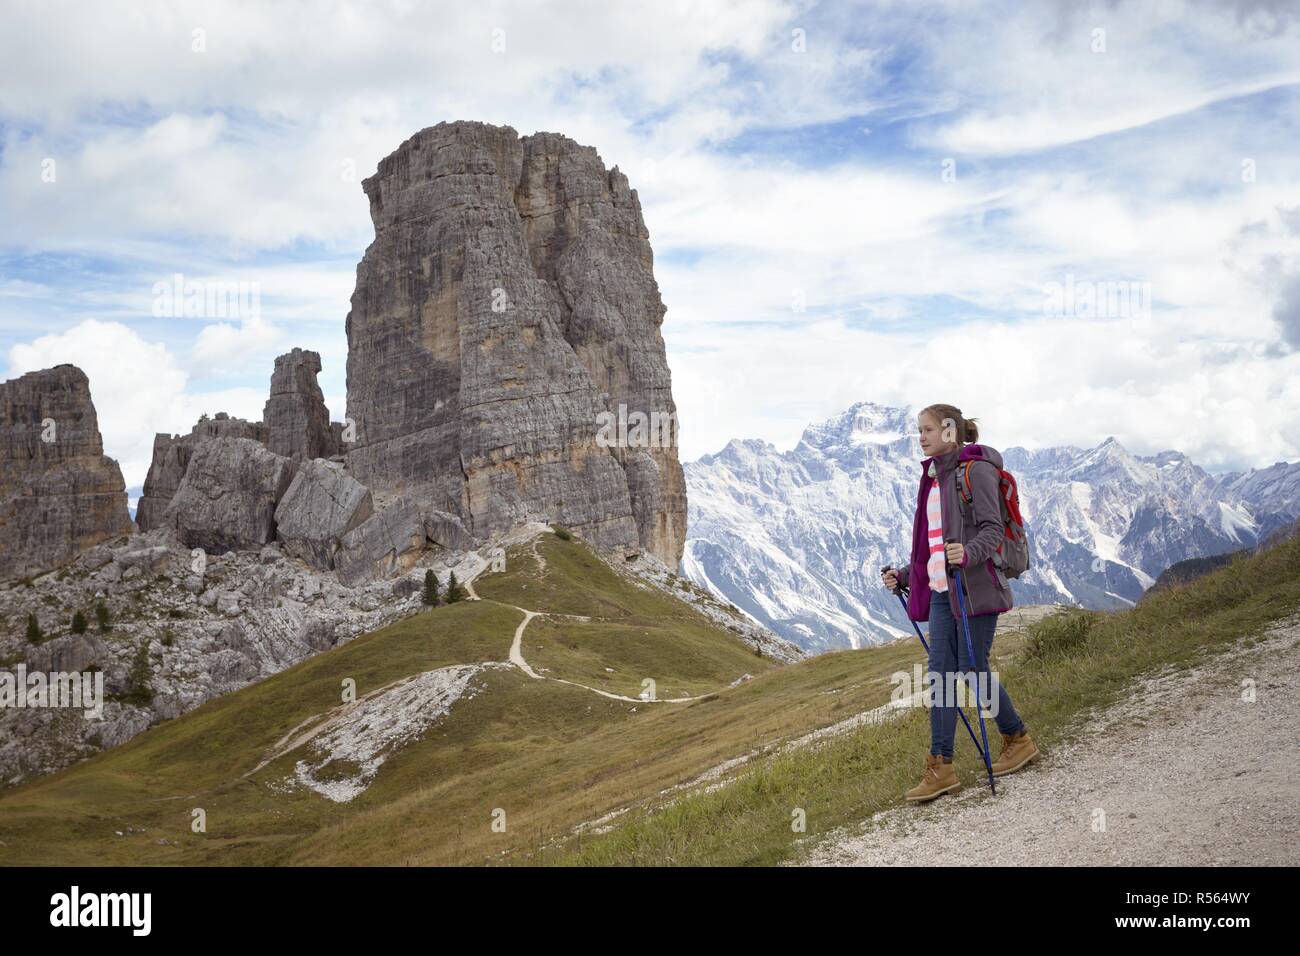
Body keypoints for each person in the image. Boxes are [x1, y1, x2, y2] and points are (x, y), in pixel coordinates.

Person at [880, 403, 1039, 803]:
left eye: (928, 429)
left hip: (975, 587)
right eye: (919, 430)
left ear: (950, 430)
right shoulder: (933, 479)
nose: (921, 437)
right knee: (941, 678)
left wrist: (966, 554)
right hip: (940, 590)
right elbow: (935, 544)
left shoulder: (976, 471)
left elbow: (992, 531)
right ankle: (941, 766)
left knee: (971, 667)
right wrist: (904, 573)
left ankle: (1017, 737)